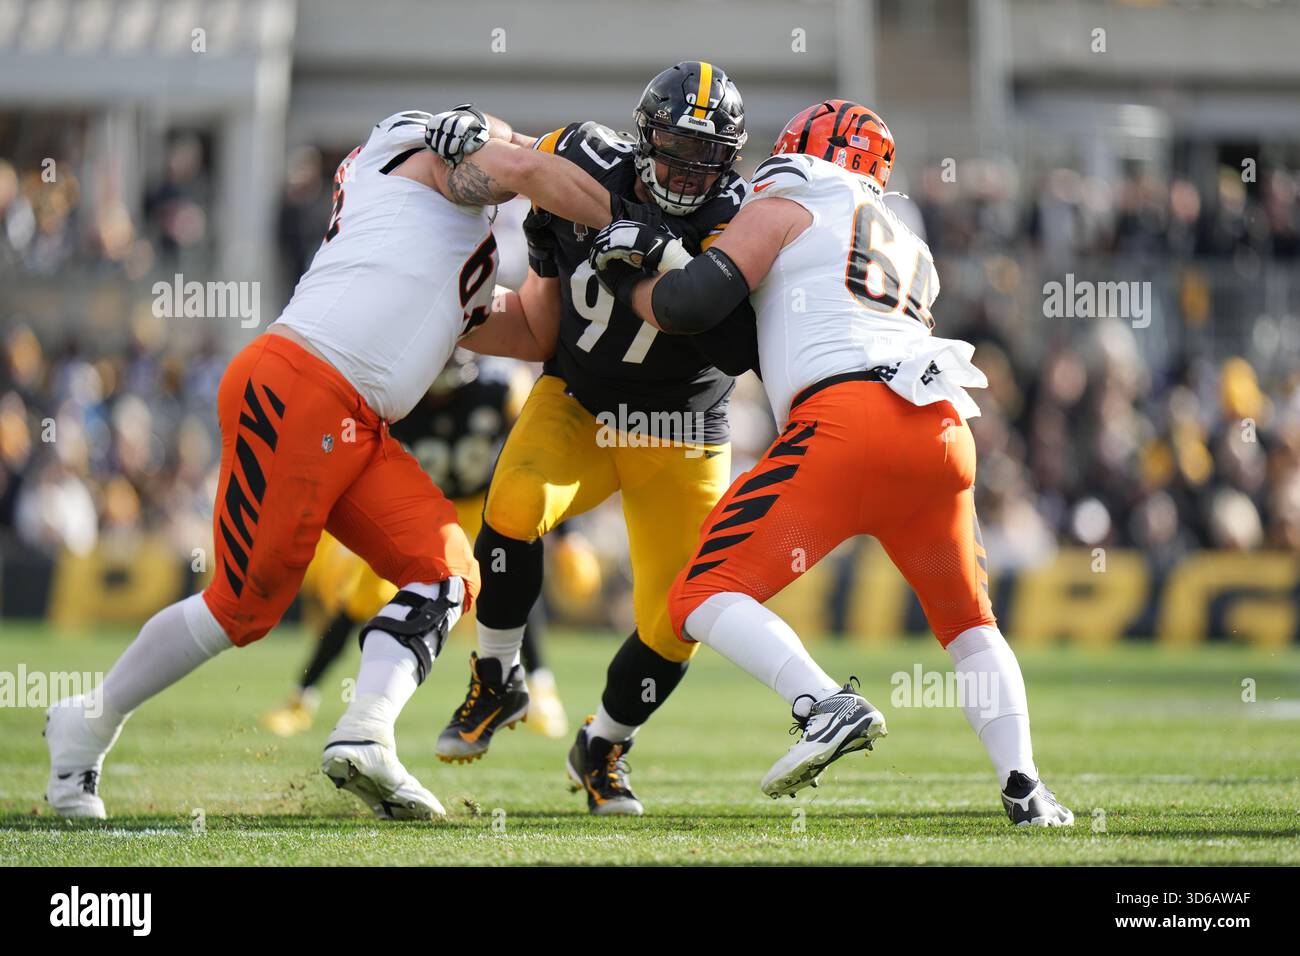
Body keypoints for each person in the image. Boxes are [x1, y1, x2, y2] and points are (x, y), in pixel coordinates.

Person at [44, 105, 636, 821]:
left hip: (358, 424)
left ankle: (366, 734)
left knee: (448, 571)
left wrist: (553, 251)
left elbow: (538, 329)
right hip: (300, 384)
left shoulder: (460, 240)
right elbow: (520, 166)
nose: (513, 143)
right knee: (243, 607)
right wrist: (635, 217)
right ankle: (88, 721)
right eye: (503, 131)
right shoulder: (417, 149)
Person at [590, 100, 1074, 826]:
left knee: (698, 596)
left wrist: (632, 276)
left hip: (849, 423)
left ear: (800, 148)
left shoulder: (795, 186)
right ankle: (1027, 787)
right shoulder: (907, 239)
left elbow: (695, 302)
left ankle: (824, 705)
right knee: (972, 626)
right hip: (942, 430)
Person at [432, 63, 761, 816]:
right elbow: (514, 168)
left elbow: (741, 344)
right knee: (511, 504)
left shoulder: (744, 215)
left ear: (729, 162)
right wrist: (459, 137)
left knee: (677, 618)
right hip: (580, 399)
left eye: (704, 158)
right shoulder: (583, 156)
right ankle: (497, 676)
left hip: (681, 427)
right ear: (642, 137)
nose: (685, 171)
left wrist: (664, 252)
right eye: (672, 149)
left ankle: (604, 745)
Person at [259, 353, 570, 740]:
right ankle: (299, 699)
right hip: (427, 506)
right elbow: (347, 457)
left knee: (510, 578)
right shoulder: (395, 398)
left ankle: (541, 689)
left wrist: (565, 533)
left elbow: (538, 454)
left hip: (482, 503)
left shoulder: (501, 388)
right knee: (361, 597)